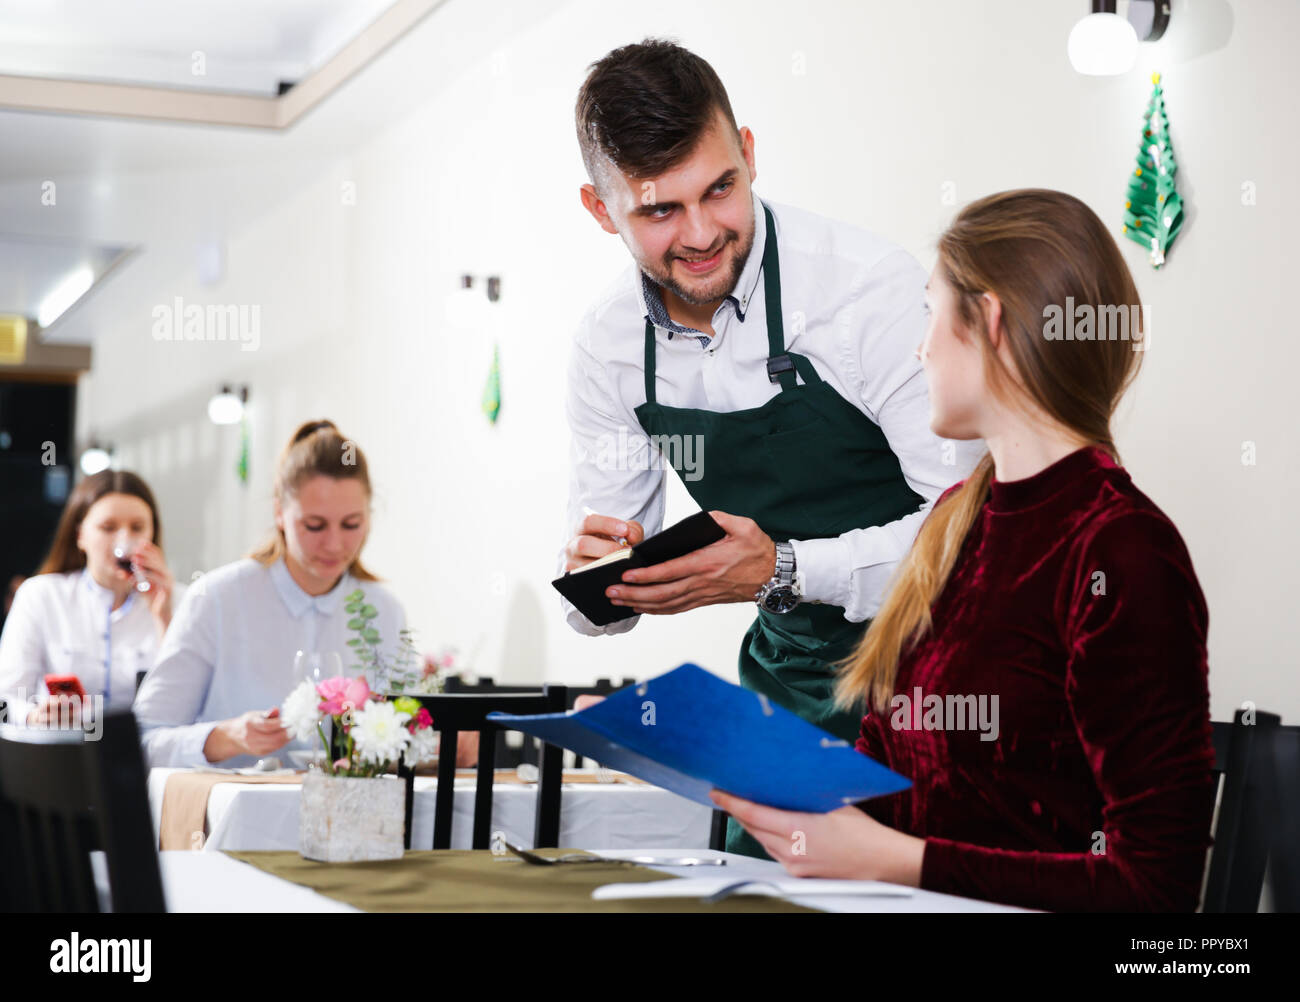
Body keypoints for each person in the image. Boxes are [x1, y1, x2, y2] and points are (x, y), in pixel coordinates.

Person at [713, 188, 1217, 912]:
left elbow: (1154, 888)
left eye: (932, 312)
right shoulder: (955, 519)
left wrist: (894, 860)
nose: (919, 346)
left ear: (991, 322)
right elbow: (885, 774)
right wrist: (712, 747)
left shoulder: (1123, 549)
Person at [559, 39, 981, 857]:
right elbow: (602, 590)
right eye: (659, 211)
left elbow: (969, 541)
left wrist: (783, 568)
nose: (702, 232)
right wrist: (596, 580)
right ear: (601, 209)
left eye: (721, 188)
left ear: (748, 154)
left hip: (937, 686)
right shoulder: (606, 349)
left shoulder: (868, 292)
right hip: (787, 697)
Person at [133, 420, 408, 769]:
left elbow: (407, 736)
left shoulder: (384, 611)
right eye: (314, 525)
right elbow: (143, 739)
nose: (334, 544)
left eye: (351, 524)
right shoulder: (216, 600)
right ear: (279, 512)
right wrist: (224, 737)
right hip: (233, 821)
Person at [0, 470, 176, 724]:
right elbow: (6, 698)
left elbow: (184, 700)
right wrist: (33, 716)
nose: (124, 539)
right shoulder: (41, 595)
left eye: (137, 528)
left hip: (146, 755)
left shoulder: (177, 599)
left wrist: (164, 617)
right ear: (80, 535)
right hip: (62, 753)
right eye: (108, 527)